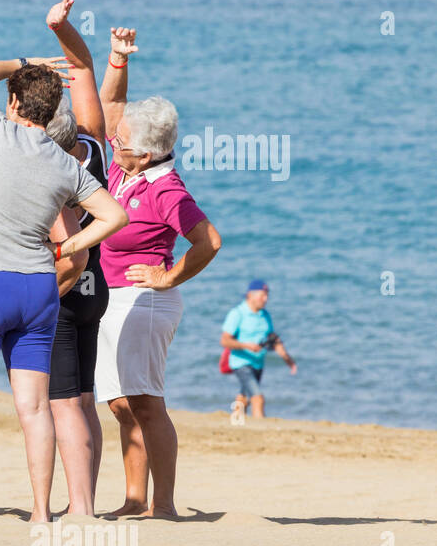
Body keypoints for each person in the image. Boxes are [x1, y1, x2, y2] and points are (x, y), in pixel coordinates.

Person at [0, 57, 127, 521]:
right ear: (53, 107)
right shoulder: (65, 163)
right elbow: (115, 215)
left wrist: (23, 62)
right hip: (37, 286)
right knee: (35, 408)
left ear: (13, 102)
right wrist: (71, 245)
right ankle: (40, 510)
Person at [96, 26, 223, 518]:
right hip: (113, 298)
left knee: (146, 402)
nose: (114, 141)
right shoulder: (124, 168)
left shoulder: (165, 188)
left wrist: (168, 277)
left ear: (145, 154)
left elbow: (208, 240)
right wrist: (117, 60)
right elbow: (110, 108)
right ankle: (133, 500)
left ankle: (163, 504)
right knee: (121, 403)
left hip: (145, 302)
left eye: (122, 142)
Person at [42, 0, 111, 516]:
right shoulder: (93, 145)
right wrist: (60, 30)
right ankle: (84, 494)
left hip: (64, 285)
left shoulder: (48, 173)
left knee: (62, 402)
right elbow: (83, 67)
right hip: (99, 288)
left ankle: (77, 504)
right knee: (84, 399)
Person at [221, 279, 296, 418]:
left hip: (258, 364)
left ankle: (235, 422)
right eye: (262, 295)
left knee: (244, 397)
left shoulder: (265, 315)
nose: (266, 299)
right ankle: (261, 428)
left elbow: (274, 339)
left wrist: (288, 360)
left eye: (267, 295)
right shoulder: (238, 313)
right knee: (258, 398)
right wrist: (246, 345)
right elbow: (225, 340)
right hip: (240, 363)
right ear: (250, 295)